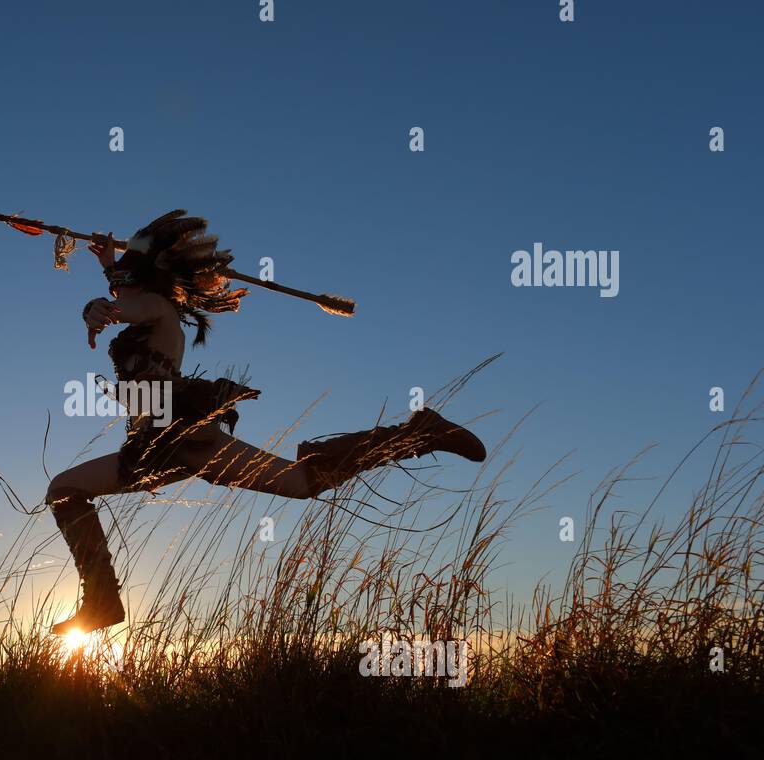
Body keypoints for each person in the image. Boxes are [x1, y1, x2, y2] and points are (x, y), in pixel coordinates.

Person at [46, 210, 486, 635]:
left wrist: (96, 306)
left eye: (126, 274)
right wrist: (108, 266)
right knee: (65, 491)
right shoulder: (148, 306)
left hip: (183, 440)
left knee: (298, 483)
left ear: (145, 279)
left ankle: (418, 434)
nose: (120, 289)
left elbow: (129, 306)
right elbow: (127, 300)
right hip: (152, 447)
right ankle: (102, 600)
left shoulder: (157, 309)